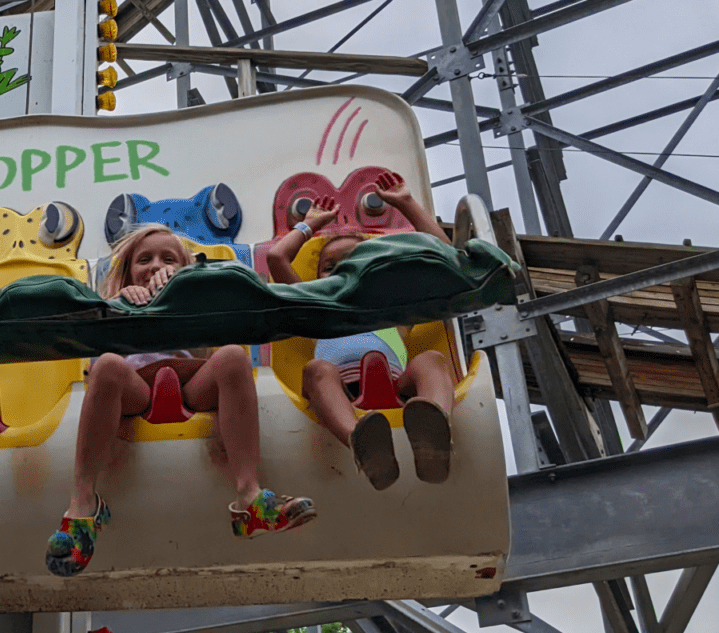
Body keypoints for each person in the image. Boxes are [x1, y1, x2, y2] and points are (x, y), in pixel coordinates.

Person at [45, 225, 317, 578]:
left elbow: (207, 346)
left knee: (233, 356)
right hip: (135, 386)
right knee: (108, 365)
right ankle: (83, 500)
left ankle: (249, 495)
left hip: (189, 382)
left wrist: (185, 295)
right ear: (128, 271)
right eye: (145, 259)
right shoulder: (114, 303)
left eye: (168, 258)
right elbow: (98, 349)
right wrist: (121, 306)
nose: (156, 266)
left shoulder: (198, 300)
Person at [264, 171, 456, 490]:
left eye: (356, 261)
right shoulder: (320, 311)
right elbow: (276, 258)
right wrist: (309, 224)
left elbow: (447, 260)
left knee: (431, 360)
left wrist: (406, 203)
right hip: (340, 391)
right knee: (316, 370)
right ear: (319, 281)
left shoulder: (393, 311)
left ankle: (434, 427)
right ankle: (362, 442)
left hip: (397, 385)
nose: (343, 270)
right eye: (330, 267)